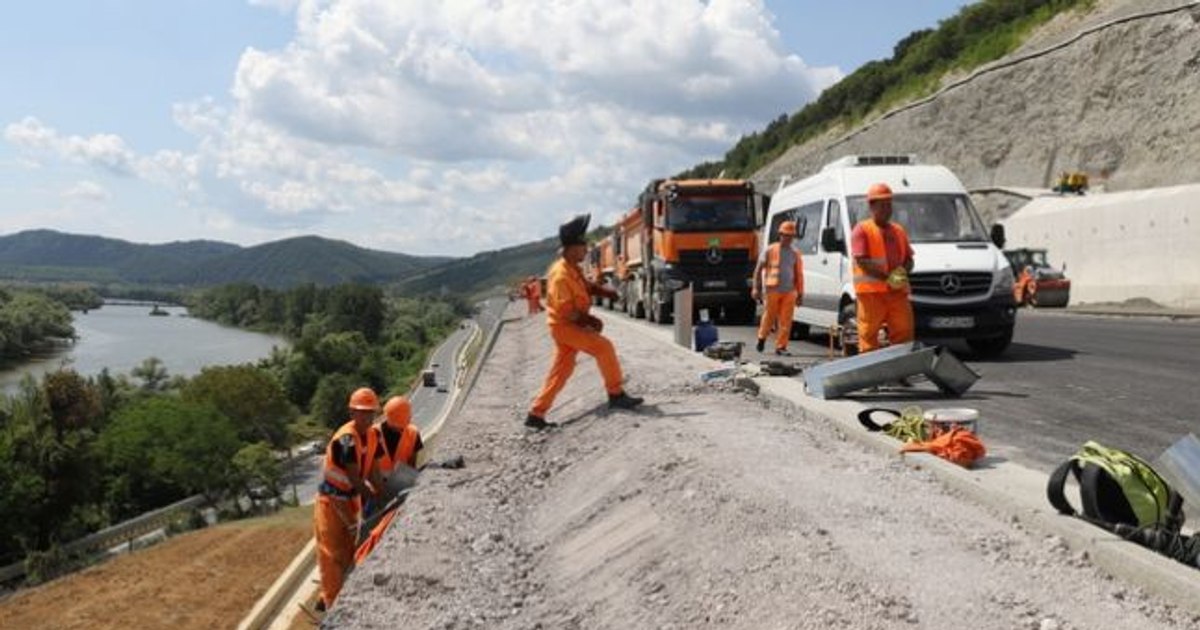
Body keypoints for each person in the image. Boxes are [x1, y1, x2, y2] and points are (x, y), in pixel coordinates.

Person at [525, 214, 643, 430]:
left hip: (566, 326)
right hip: (565, 326)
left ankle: (536, 413)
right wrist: (589, 320)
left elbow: (585, 286)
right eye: (583, 247)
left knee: (562, 369)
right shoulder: (560, 275)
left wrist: (607, 292)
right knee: (604, 348)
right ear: (571, 248)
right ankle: (616, 394)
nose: (586, 251)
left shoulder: (571, 268)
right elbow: (565, 310)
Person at [313, 387, 383, 613]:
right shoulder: (346, 439)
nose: (367, 417)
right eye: (361, 412)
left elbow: (374, 471)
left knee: (348, 551)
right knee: (331, 554)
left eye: (370, 412)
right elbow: (354, 477)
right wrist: (375, 499)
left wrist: (384, 493)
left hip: (350, 501)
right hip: (331, 503)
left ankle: (341, 595)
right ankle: (332, 605)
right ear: (352, 413)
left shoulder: (374, 435)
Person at [851, 183, 915, 353]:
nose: (888, 209)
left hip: (897, 292)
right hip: (871, 294)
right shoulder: (862, 230)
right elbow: (862, 261)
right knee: (869, 336)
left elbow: (909, 260)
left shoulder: (899, 231)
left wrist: (899, 277)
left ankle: (900, 370)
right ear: (871, 206)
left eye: (889, 204)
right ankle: (871, 375)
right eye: (883, 204)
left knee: (904, 332)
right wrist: (889, 278)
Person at [752, 220, 804, 355]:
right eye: (786, 235)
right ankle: (762, 338)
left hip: (789, 291)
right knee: (769, 316)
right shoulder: (770, 249)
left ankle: (781, 347)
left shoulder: (795, 253)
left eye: (791, 236)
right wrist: (755, 288)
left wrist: (800, 294)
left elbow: (799, 274)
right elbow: (758, 270)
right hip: (772, 289)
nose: (788, 238)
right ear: (780, 234)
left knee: (786, 320)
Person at [373, 395, 424, 481]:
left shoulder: (413, 433)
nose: (399, 429)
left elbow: (411, 465)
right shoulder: (373, 433)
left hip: (402, 484)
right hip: (377, 486)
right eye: (395, 425)